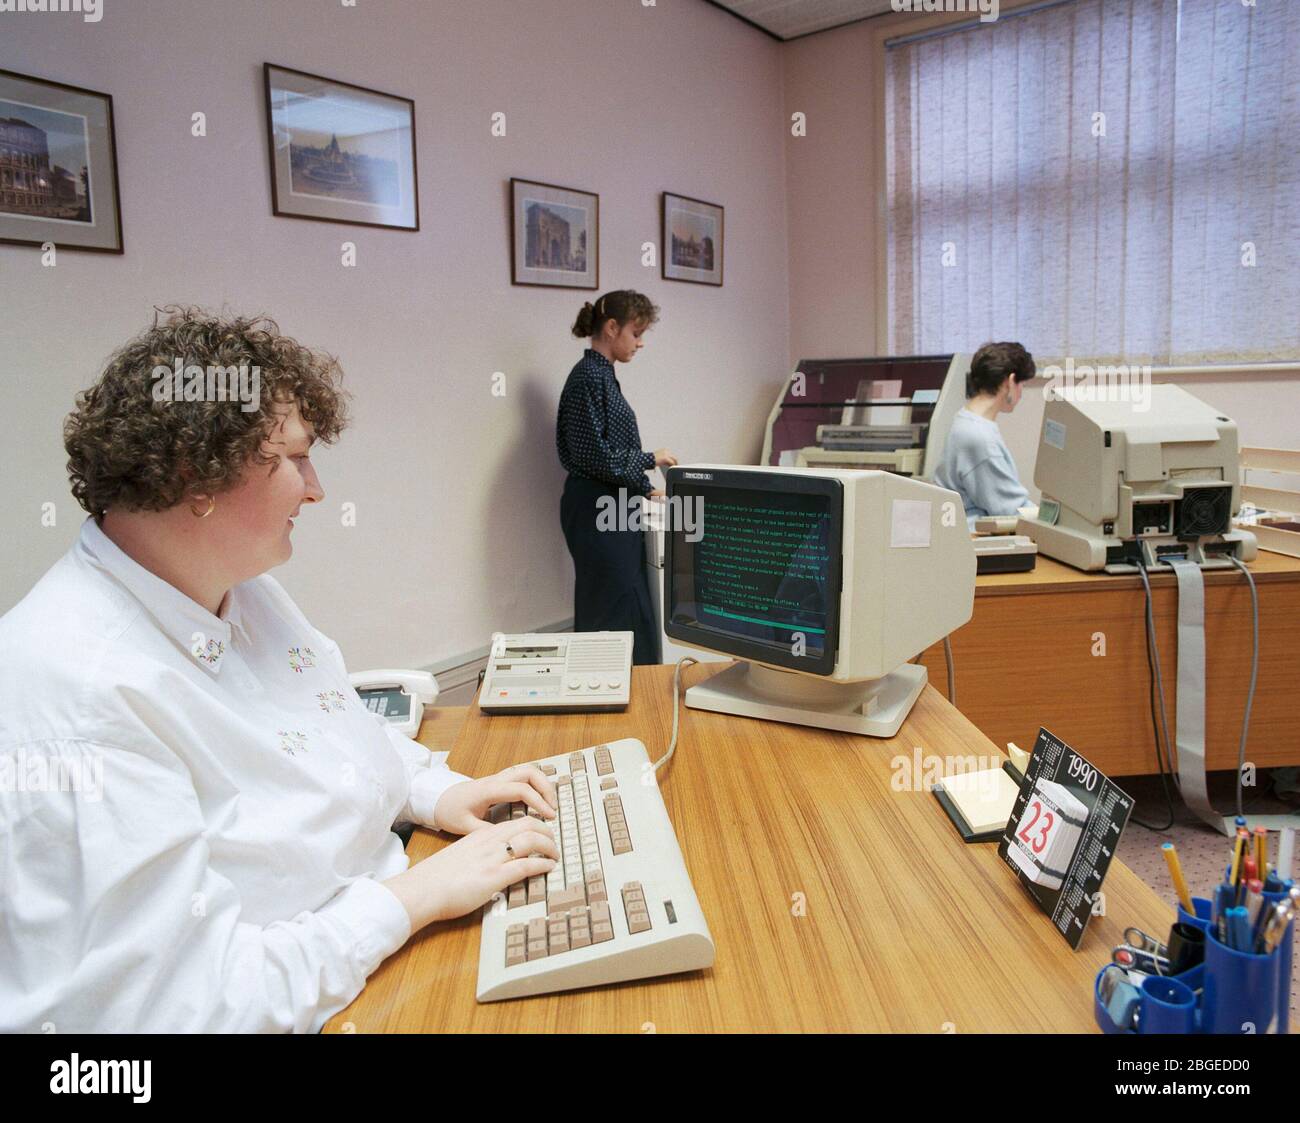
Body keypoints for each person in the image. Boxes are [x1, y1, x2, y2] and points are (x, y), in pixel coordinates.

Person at [0, 307, 562, 1032]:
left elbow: (329, 727)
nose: (316, 488)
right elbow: (179, 1014)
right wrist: (412, 898)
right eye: (295, 458)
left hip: (366, 940)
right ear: (193, 475)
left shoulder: (231, 586)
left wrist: (436, 790)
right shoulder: (80, 702)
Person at [555, 290, 676, 665]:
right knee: (610, 609)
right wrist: (649, 458)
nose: (640, 343)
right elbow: (595, 456)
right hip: (596, 509)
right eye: (636, 332)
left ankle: (637, 698)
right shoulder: (588, 378)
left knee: (629, 604)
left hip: (613, 505)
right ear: (611, 328)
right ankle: (603, 698)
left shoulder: (601, 376)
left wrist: (645, 488)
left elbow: (610, 447)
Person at [933, 341, 1036, 527]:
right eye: (1022, 385)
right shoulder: (979, 437)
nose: (1021, 393)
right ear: (1010, 382)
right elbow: (1009, 509)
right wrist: (1055, 521)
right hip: (974, 541)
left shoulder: (965, 419)